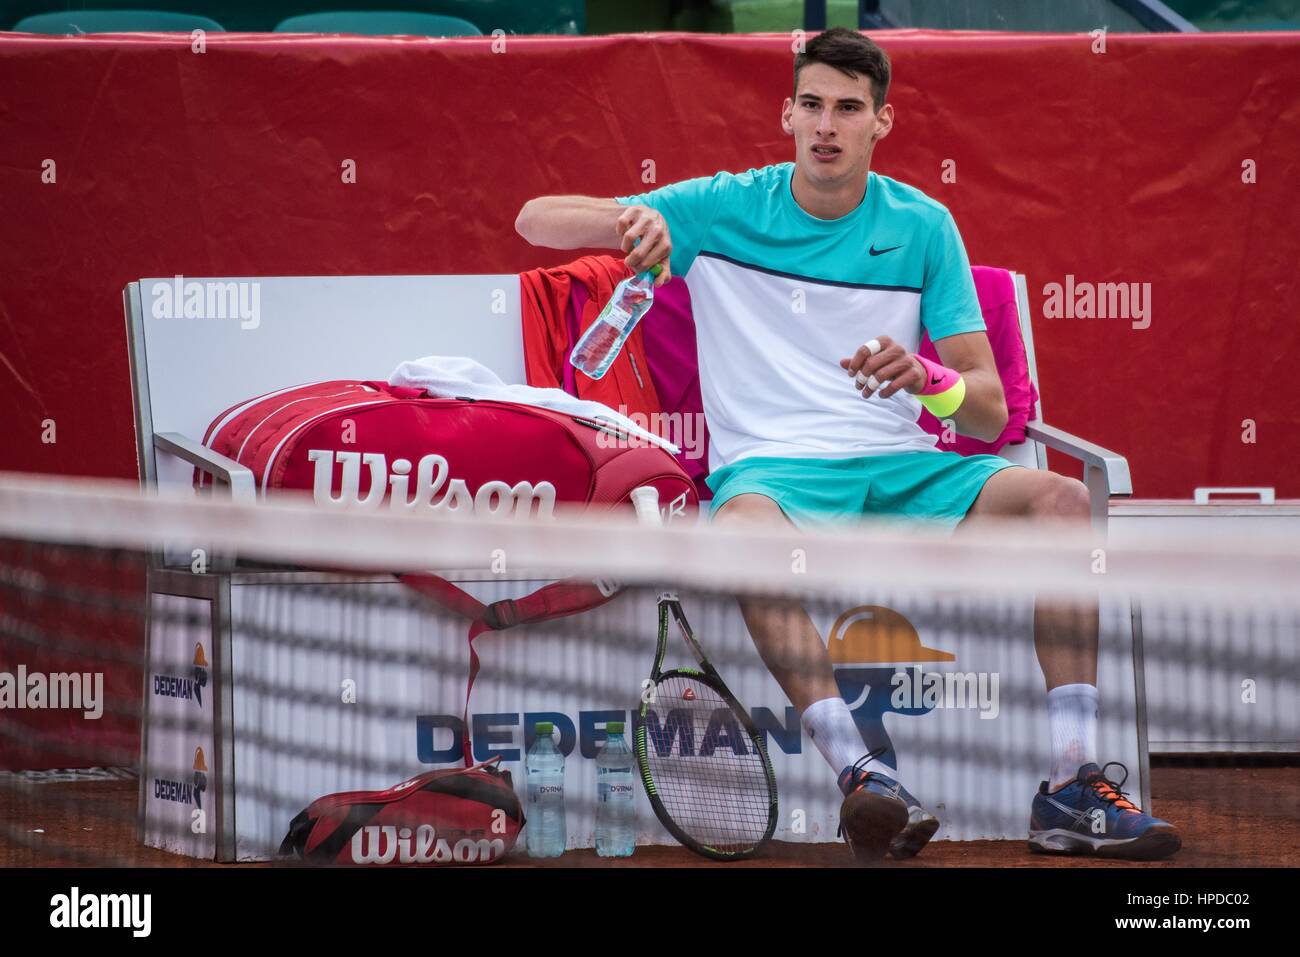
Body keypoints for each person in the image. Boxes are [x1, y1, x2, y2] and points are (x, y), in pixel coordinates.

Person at [515, 26, 1179, 863]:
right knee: (741, 540)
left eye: (849, 109)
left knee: (1064, 502)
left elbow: (985, 411)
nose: (827, 125)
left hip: (901, 469)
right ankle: (866, 775)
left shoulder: (924, 226)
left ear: (882, 122)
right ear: (788, 114)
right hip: (775, 472)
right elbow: (535, 220)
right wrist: (635, 221)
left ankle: (1071, 783)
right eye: (814, 106)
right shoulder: (723, 207)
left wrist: (926, 379)